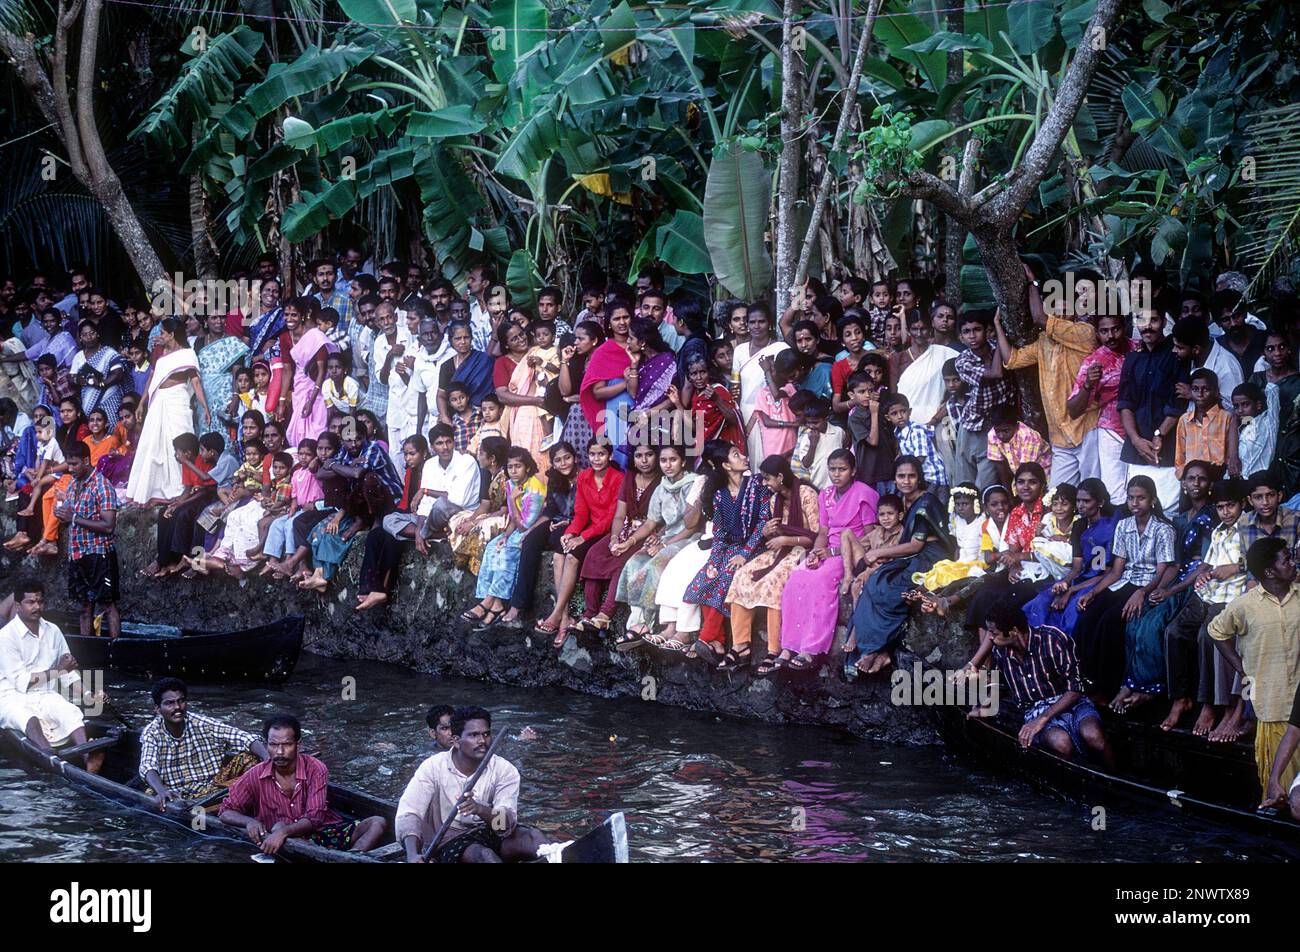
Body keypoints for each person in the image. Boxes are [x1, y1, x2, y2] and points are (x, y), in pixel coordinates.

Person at [395, 706, 547, 863]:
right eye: (474, 735)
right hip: (449, 840)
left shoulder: (505, 770)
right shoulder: (432, 767)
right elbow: (409, 813)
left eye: (486, 734)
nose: (482, 741)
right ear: (456, 741)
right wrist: (413, 855)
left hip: (491, 833)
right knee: (485, 856)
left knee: (535, 838)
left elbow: (503, 826)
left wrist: (479, 809)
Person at [845, 456, 953, 676]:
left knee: (892, 590)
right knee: (873, 580)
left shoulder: (925, 503)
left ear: (919, 478)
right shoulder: (903, 502)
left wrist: (877, 552)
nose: (906, 481)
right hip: (913, 556)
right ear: (894, 479)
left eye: (911, 476)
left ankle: (880, 650)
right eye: (901, 476)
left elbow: (915, 545)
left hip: (930, 556)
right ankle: (873, 649)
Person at [219, 713, 386, 854]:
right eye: (273, 745)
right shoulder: (255, 774)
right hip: (278, 838)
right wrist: (250, 822)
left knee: (377, 822)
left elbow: (315, 818)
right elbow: (226, 811)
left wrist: (284, 831)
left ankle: (354, 856)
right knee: (278, 826)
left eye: (286, 745)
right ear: (267, 745)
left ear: (298, 745)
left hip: (322, 832)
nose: (279, 752)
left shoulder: (315, 768)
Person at [1209, 539, 1300, 796]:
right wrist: (1241, 668)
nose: (1293, 563)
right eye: (1287, 560)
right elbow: (1216, 631)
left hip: (1299, 702)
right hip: (1272, 706)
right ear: (1270, 572)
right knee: (1280, 787)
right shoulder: (1244, 605)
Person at [1073, 475, 1177, 699]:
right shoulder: (1124, 525)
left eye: (1141, 498)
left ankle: (1105, 686)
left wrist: (1142, 592)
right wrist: (1093, 592)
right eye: (1131, 498)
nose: (1135, 503)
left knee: (1111, 621)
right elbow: (1117, 570)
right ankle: (1082, 679)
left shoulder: (1163, 529)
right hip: (1124, 581)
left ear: (1152, 500)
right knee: (1087, 616)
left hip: (1146, 583)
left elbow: (1161, 572)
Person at [972, 603, 1114, 765]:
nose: (989, 638)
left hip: (1071, 703)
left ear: (1013, 631)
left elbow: (1075, 689)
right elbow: (998, 684)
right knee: (1061, 743)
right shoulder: (1000, 651)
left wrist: (1041, 720)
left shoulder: (1053, 640)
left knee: (1094, 736)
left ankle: (1115, 780)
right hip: (1034, 710)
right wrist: (985, 708)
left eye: (993, 633)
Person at [994, 271, 1099, 486]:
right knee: (1057, 494)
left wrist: (1033, 281)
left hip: (1086, 429)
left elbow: (1040, 319)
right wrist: (997, 325)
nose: (1059, 310)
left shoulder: (1085, 333)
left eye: (1065, 305)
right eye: (1055, 306)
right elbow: (1013, 360)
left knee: (1092, 491)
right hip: (1059, 434)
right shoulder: (1044, 341)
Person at [725, 455, 820, 675]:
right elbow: (777, 531)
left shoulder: (806, 494)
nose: (765, 484)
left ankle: (773, 649)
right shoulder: (773, 500)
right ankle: (741, 644)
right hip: (779, 548)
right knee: (742, 575)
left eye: (768, 479)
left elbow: (815, 535)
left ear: (780, 476)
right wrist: (770, 531)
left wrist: (786, 539)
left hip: (801, 550)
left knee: (774, 583)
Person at [0, 580, 107, 772]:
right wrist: (59, 670)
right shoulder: (6, 637)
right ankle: (50, 757)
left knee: (70, 712)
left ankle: (87, 757)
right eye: (30, 602)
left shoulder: (53, 630)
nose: (37, 607)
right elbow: (22, 682)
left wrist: (90, 695)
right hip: (11, 696)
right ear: (17, 606)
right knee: (28, 718)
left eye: (40, 602)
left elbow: (68, 675)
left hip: (45, 694)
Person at [682, 442, 773, 665]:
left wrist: (744, 553)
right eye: (736, 455)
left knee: (725, 577)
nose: (744, 457)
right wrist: (714, 560)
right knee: (707, 577)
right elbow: (720, 533)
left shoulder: (758, 485)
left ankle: (706, 638)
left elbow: (763, 522)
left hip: (756, 547)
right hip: (730, 548)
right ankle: (718, 641)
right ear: (726, 465)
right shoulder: (720, 495)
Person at [138, 677, 269, 809]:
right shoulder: (152, 733)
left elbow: (245, 737)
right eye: (169, 703)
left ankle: (233, 798)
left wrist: (268, 759)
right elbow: (148, 766)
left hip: (213, 787)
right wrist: (161, 791)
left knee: (249, 758)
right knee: (152, 792)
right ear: (158, 709)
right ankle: (231, 800)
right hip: (177, 793)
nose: (177, 707)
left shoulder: (201, 723)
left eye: (181, 701)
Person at [573, 442, 661, 635]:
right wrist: (613, 538)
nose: (644, 461)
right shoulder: (629, 477)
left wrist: (627, 542)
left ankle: (604, 615)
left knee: (623, 561)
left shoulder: (661, 480)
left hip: (648, 533)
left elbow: (655, 521)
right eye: (639, 456)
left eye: (649, 455)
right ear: (633, 459)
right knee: (594, 554)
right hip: (624, 529)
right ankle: (589, 614)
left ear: (657, 456)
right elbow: (620, 515)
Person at [125, 319, 209, 505]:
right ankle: (155, 490)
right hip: (159, 400)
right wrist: (141, 404)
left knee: (179, 439)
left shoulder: (188, 353)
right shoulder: (159, 353)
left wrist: (204, 407)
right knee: (154, 443)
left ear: (172, 334)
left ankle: (182, 488)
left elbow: (195, 382)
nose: (160, 336)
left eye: (163, 333)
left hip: (177, 398)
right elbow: (152, 378)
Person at [462, 449, 546, 629]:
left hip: (532, 530)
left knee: (507, 552)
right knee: (493, 546)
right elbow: (513, 523)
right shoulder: (510, 484)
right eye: (510, 467)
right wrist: (505, 536)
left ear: (528, 468)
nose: (514, 471)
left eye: (518, 466)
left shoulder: (535, 488)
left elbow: (524, 524)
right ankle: (496, 604)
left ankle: (489, 601)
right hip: (517, 528)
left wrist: (514, 500)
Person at [1117, 311, 1182, 511]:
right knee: (1137, 510)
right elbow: (1125, 403)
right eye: (1141, 320)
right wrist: (1135, 440)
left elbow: (1178, 402)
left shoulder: (1176, 355)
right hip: (1137, 451)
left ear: (1163, 322)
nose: (1147, 326)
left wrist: (1160, 434)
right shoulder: (1132, 359)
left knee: (1167, 511)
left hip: (1169, 449)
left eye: (1153, 320)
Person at [56, 441, 121, 638]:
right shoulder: (73, 484)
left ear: (86, 461)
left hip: (99, 554)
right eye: (68, 464)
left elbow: (109, 525)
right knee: (84, 606)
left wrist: (73, 518)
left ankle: (115, 652)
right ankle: (87, 654)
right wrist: (62, 514)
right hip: (78, 553)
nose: (70, 468)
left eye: (74, 464)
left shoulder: (102, 486)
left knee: (108, 605)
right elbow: (70, 516)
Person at [1068, 312, 1132, 505]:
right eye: (1104, 331)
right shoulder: (1093, 362)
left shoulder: (1139, 348)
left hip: (1142, 429)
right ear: (1097, 334)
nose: (1110, 336)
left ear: (1124, 328)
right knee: (1116, 492)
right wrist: (1088, 384)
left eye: (1115, 329)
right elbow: (1073, 410)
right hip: (1112, 431)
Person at [951, 311, 1012, 487]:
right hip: (970, 426)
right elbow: (995, 373)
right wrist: (1000, 343)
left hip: (993, 428)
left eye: (977, 329)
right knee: (964, 484)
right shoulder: (963, 361)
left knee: (985, 484)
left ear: (987, 331)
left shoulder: (997, 346)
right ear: (961, 337)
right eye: (967, 331)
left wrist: (998, 331)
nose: (972, 336)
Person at [733, 304, 790, 467]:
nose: (756, 326)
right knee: (749, 459)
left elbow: (786, 383)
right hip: (745, 411)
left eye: (761, 321)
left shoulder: (780, 348)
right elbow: (735, 387)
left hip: (772, 412)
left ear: (769, 323)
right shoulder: (739, 350)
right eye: (752, 322)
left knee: (769, 459)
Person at [415, 423, 482, 544]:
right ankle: (436, 533)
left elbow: (459, 500)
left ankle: (427, 533)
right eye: (439, 443)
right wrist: (418, 531)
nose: (445, 447)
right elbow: (425, 503)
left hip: (463, 513)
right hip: (435, 517)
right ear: (432, 447)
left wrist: (426, 491)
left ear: (454, 442)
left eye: (448, 442)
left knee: (441, 505)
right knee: (390, 520)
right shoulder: (429, 464)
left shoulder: (466, 461)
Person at [283, 296, 336, 445]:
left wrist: (311, 401)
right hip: (300, 387)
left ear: (305, 313)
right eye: (287, 315)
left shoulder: (316, 337)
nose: (290, 318)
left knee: (316, 429)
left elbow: (322, 371)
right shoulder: (293, 335)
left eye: (294, 314)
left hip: (316, 392)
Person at [895, 309, 958, 427]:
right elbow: (893, 396)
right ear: (908, 330)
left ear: (930, 330)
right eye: (914, 329)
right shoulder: (898, 359)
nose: (919, 334)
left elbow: (959, 387)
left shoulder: (944, 354)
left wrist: (937, 417)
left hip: (937, 421)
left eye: (923, 329)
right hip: (904, 423)